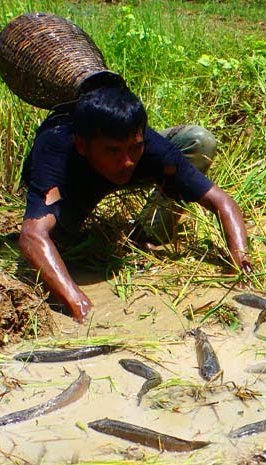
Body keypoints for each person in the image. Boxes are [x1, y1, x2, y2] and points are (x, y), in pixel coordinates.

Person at [17, 81, 252, 322]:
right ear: (82, 145)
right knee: (61, 246)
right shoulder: (56, 150)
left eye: (135, 147)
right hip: (74, 187)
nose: (128, 161)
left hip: (114, 169)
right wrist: (78, 303)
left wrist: (241, 263)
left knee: (198, 141)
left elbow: (223, 202)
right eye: (113, 151)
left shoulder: (150, 148)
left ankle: (149, 232)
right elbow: (32, 235)